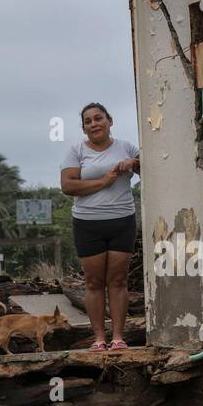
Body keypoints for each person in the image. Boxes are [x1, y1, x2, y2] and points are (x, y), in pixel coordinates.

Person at [60, 102, 140, 351]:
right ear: (84, 129)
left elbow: (150, 167)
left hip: (122, 221)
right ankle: (98, 339)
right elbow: (68, 186)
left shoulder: (126, 147)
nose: (94, 123)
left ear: (110, 121)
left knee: (117, 281)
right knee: (94, 282)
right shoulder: (76, 151)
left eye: (98, 118)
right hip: (88, 224)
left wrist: (134, 164)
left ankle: (117, 338)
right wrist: (103, 181)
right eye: (88, 121)